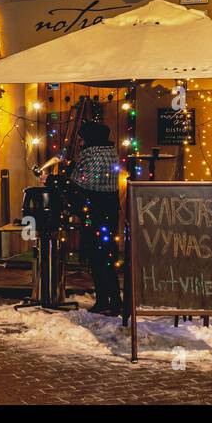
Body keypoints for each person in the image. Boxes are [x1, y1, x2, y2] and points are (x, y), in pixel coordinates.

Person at [68, 119, 122, 315]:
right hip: (110, 212)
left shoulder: (91, 155)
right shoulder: (111, 154)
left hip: (94, 212)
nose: (81, 142)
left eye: (82, 138)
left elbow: (79, 183)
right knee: (108, 257)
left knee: (98, 259)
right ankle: (114, 299)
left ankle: (104, 300)